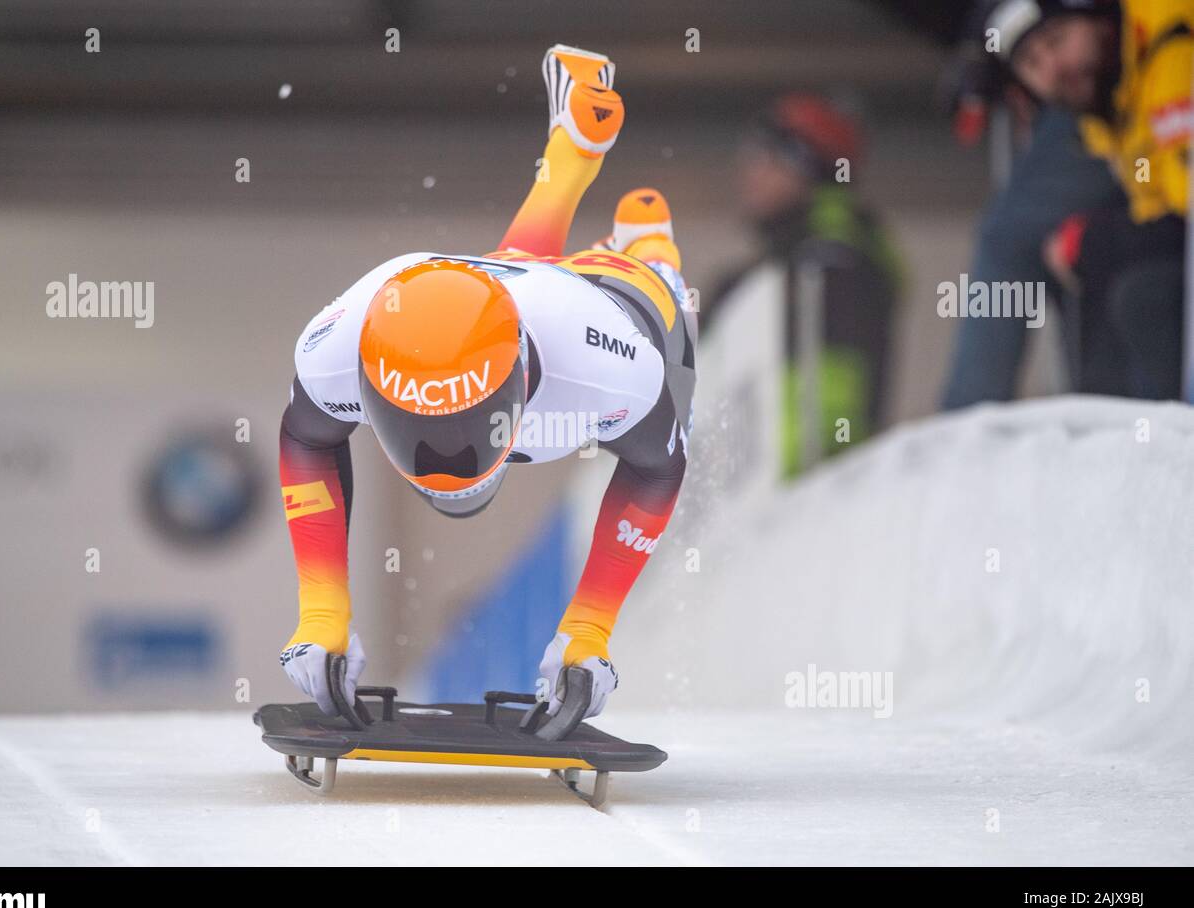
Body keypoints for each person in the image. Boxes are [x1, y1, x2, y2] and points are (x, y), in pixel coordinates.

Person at [277, 45, 696, 720]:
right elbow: (304, 437)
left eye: (460, 438)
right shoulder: (338, 346)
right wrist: (320, 612)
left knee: (667, 317)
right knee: (509, 268)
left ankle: (650, 245)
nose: (445, 454)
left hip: (611, 305)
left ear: (517, 392)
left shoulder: (610, 368)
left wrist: (590, 630)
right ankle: (572, 154)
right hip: (489, 294)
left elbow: (661, 466)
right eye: (421, 436)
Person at [990, 0, 1191, 398]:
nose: (1053, 69)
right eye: (1032, 63)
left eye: (1057, 40)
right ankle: (1111, 431)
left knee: (1138, 292)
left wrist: (1093, 239)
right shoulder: (1111, 112)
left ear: (1097, 16)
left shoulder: (1172, 52)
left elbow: (1186, 228)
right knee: (1103, 269)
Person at [704, 94, 901, 475]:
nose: (749, 173)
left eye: (766, 158)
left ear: (806, 169)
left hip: (800, 490)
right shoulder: (770, 272)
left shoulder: (830, 265)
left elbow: (830, 405)